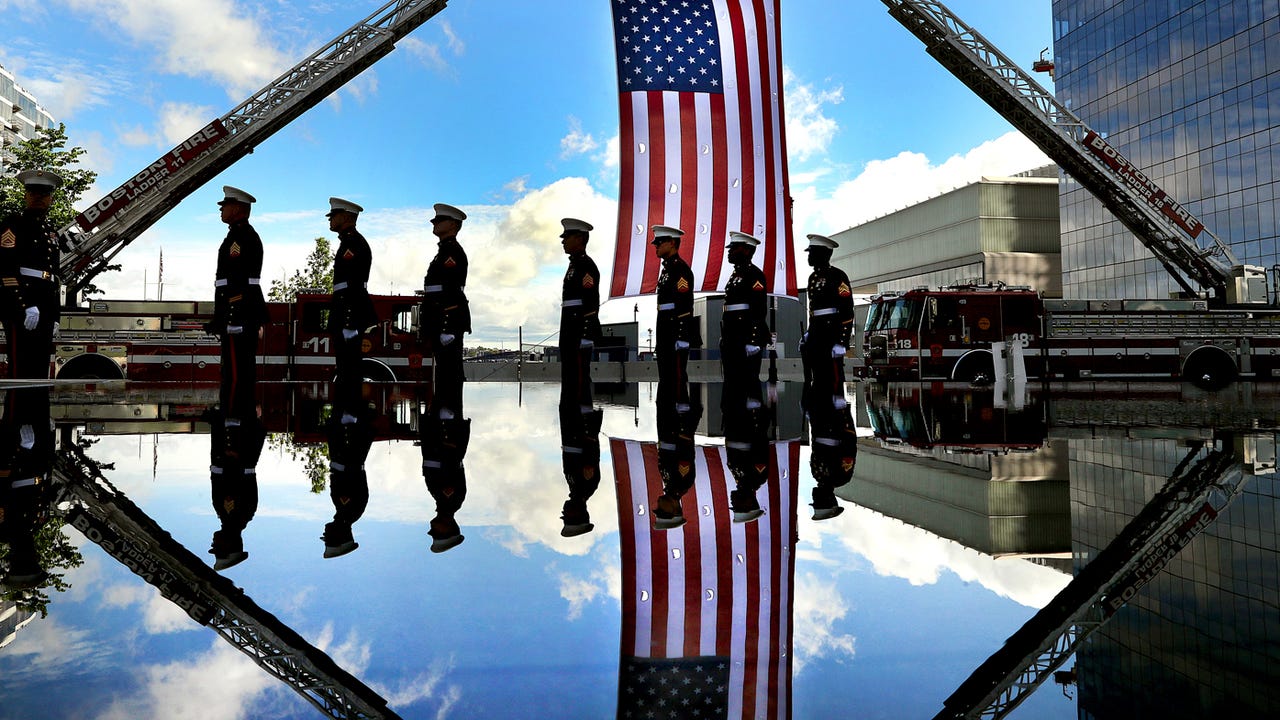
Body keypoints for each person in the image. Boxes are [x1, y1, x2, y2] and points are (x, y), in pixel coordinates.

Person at [208, 186, 268, 413]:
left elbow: (241, 280)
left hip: (240, 312)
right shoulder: (236, 235)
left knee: (237, 370)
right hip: (236, 311)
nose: (221, 210)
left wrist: (233, 313)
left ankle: (236, 422)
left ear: (239, 209)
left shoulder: (243, 237)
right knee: (233, 368)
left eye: (225, 206)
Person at [0, 170, 63, 378]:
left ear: (51, 198)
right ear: (25, 195)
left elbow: (54, 277)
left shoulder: (51, 231)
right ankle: (16, 413)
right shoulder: (14, 224)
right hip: (22, 308)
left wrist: (55, 316)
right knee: (21, 371)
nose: (38, 197)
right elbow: (6, 269)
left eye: (43, 194)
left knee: (39, 374)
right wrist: (25, 305)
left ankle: (37, 413)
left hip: (44, 307)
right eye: (33, 192)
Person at [327, 197, 377, 408]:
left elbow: (353, 286)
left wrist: (349, 322)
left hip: (349, 314)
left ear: (347, 217)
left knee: (349, 367)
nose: (330, 220)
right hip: (344, 312)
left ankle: (351, 412)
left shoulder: (353, 244)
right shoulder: (347, 242)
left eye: (334, 215)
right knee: (344, 365)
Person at [420, 203, 470, 417]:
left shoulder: (452, 252)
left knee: (449, 372)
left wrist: (447, 327)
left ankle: (449, 427)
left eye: (439, 220)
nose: (435, 223)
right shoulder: (443, 252)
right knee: (443, 372)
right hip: (438, 321)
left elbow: (451, 291)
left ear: (452, 225)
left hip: (446, 322)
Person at [208, 408, 265, 571]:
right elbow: (247, 472)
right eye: (218, 547)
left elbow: (216, 476)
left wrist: (216, 425)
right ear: (231, 544)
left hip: (225, 427)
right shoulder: (244, 512)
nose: (213, 543)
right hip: (240, 431)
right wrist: (232, 459)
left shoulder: (223, 514)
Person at [801, 234, 854, 409]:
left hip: (832, 332)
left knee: (832, 372)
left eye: (812, 253)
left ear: (824, 254)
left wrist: (842, 342)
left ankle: (837, 399)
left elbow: (847, 309)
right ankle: (817, 410)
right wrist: (809, 332)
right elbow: (813, 311)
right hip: (817, 331)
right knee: (817, 372)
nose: (809, 256)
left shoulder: (838, 276)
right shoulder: (812, 278)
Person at [652, 224, 696, 407]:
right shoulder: (667, 270)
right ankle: (665, 426)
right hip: (664, 326)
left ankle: (680, 430)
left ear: (671, 243)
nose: (656, 246)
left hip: (674, 329)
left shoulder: (681, 270)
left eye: (660, 242)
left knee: (676, 375)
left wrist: (682, 335)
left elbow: (685, 304)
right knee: (665, 376)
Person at [720, 230, 769, 390]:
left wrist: (753, 340)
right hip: (732, 335)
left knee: (748, 382)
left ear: (747, 250)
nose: (730, 251)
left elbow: (759, 308)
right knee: (731, 381)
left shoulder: (754, 274)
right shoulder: (735, 275)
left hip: (745, 334)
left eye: (734, 248)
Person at [558, 217, 601, 397]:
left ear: (579, 238)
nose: (563, 241)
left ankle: (583, 422)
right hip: (569, 327)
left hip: (578, 330)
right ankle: (570, 419)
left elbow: (591, 302)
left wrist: (585, 334)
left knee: (579, 376)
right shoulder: (574, 265)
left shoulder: (586, 265)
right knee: (569, 376)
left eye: (567, 237)